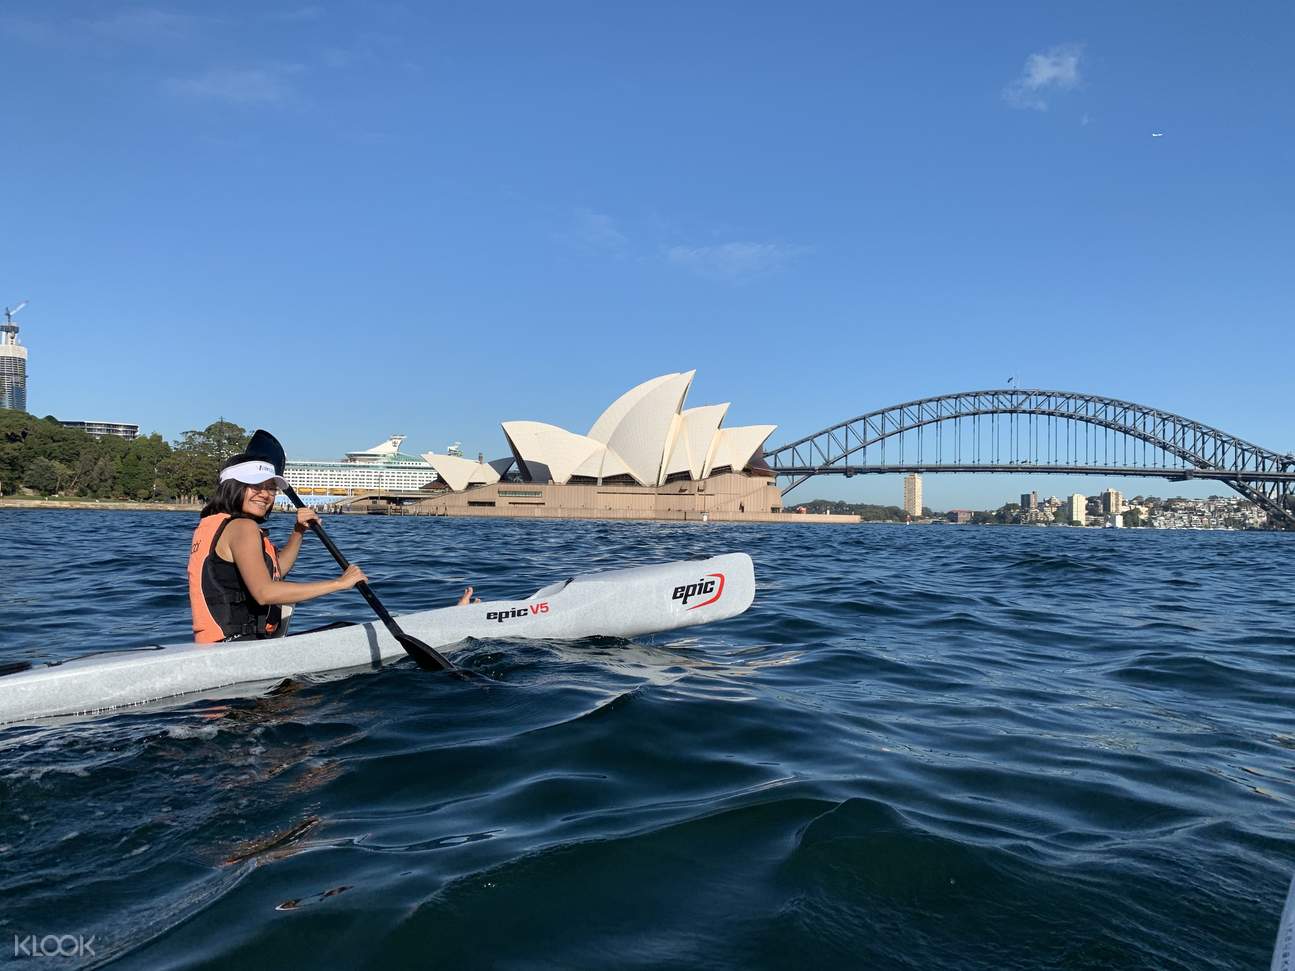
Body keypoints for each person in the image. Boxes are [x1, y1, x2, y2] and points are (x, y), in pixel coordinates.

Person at [187, 453, 367, 642]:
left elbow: (276, 572)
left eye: (271, 488)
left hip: (216, 644)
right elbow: (265, 593)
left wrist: (298, 532)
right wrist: (340, 583)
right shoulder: (243, 527)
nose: (265, 495)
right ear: (233, 486)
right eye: (256, 486)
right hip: (238, 646)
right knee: (348, 631)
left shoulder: (214, 524)